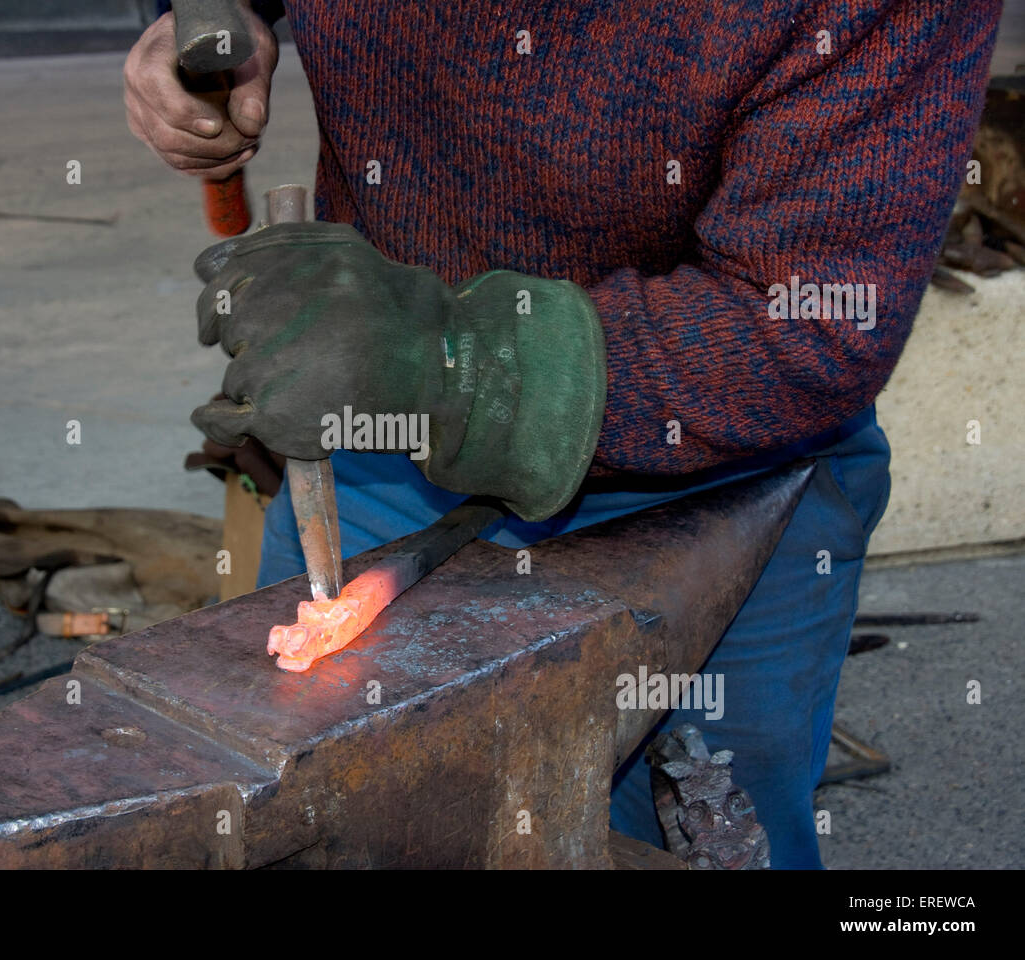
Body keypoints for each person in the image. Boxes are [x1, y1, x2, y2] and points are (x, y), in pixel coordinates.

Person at [125, 0, 1001, 868]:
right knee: (319, 806)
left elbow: (806, 325)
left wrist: (452, 367)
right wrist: (202, 17)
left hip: (722, 476)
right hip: (386, 439)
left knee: (695, 826)